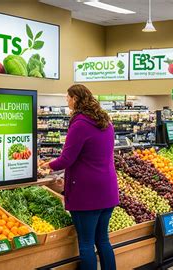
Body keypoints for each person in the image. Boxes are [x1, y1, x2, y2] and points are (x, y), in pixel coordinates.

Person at [41, 84, 119, 269]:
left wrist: (47, 166)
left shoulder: (80, 124)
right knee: (103, 240)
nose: (66, 101)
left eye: (67, 97)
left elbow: (67, 159)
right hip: (107, 189)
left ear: (75, 98)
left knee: (85, 244)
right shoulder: (105, 122)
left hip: (87, 193)